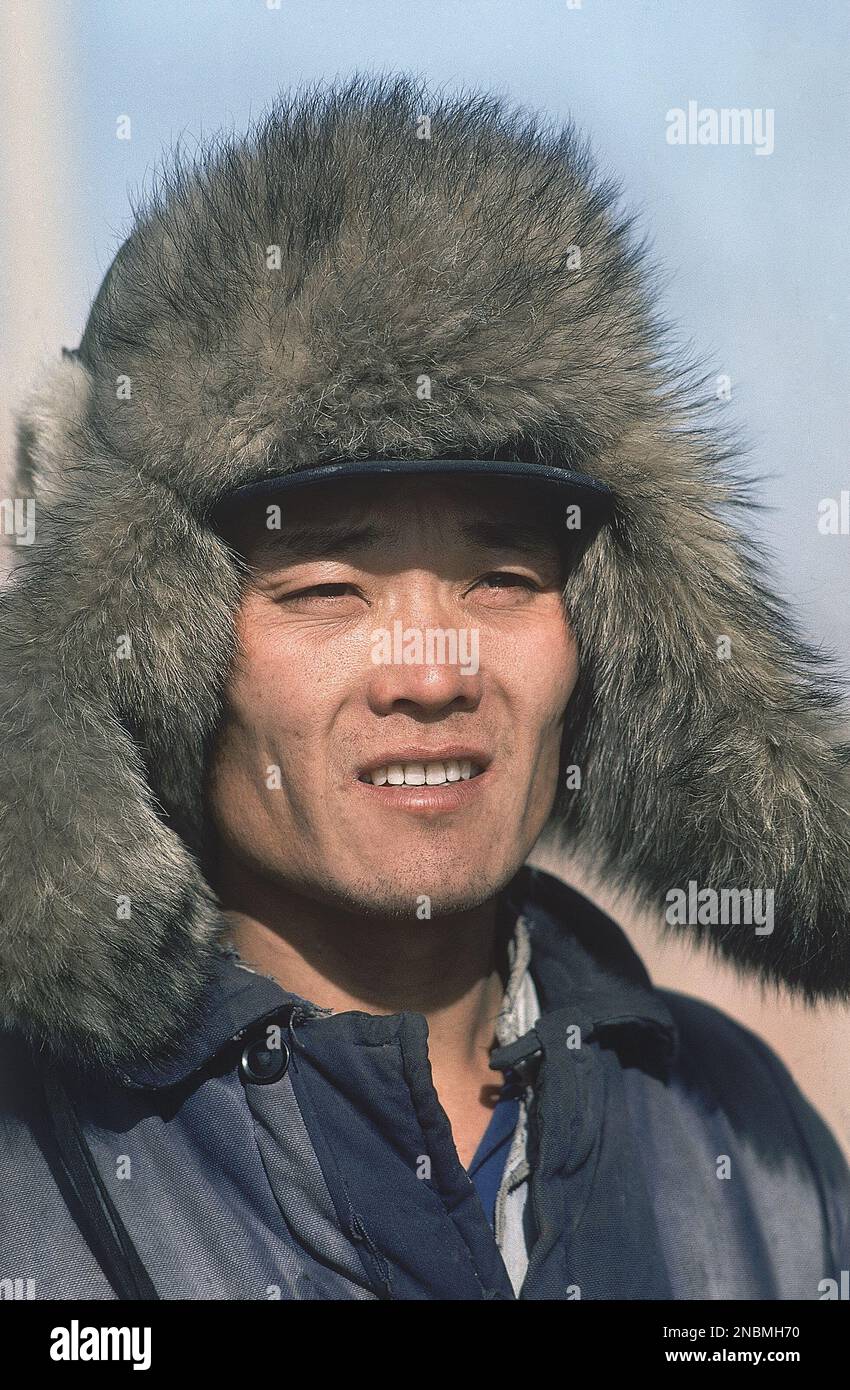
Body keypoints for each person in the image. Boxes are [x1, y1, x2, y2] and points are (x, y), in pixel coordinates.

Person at [1, 74, 848, 1302]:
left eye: (502, 577)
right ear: (157, 650)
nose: (434, 672)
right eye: (327, 588)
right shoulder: (36, 1166)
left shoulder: (742, 1146)